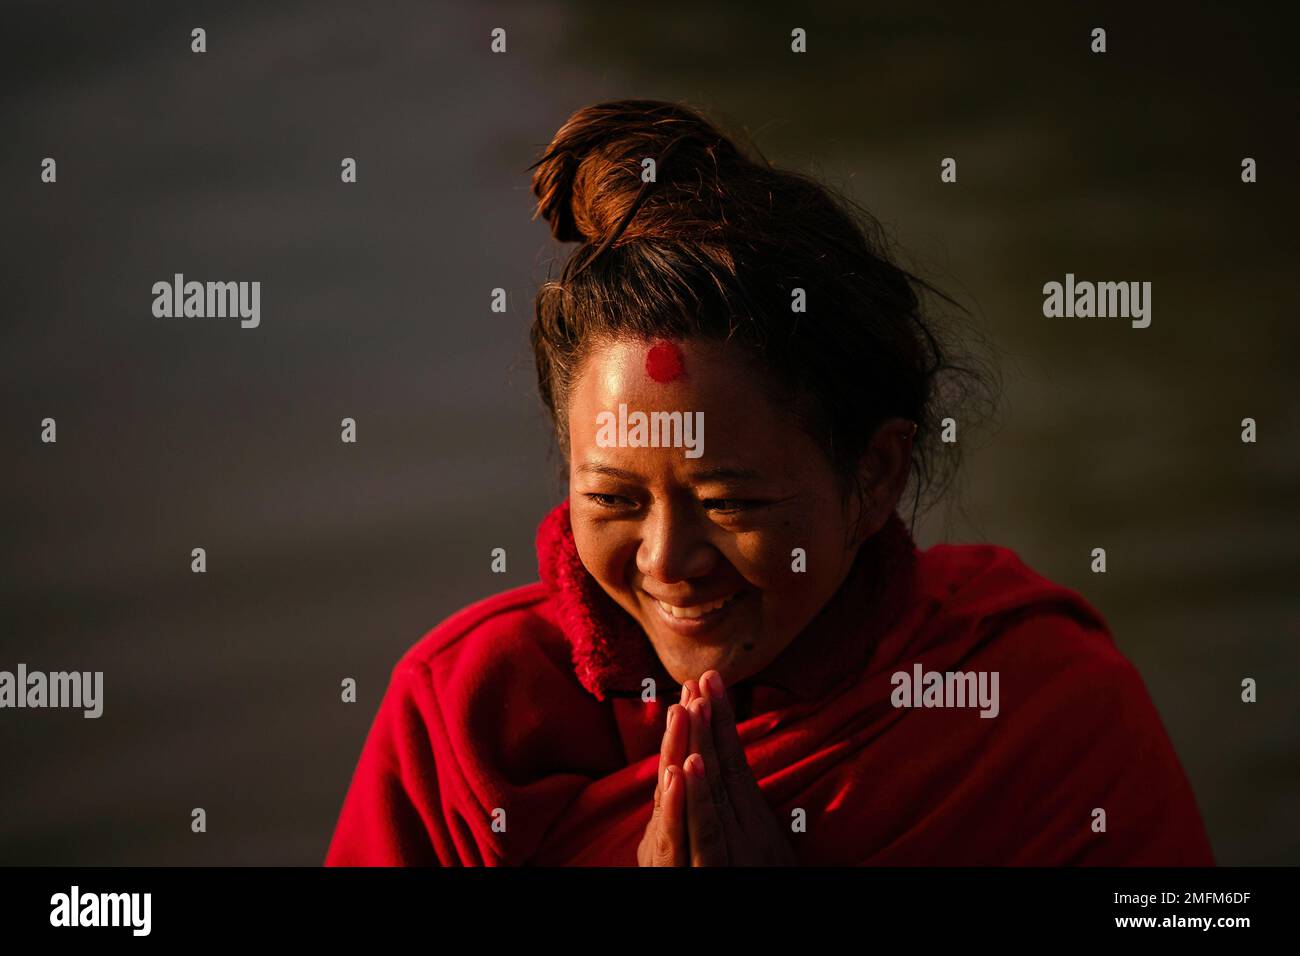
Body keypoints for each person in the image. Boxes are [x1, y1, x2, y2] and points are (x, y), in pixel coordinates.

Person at [324, 99, 1214, 866]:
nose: (668, 562)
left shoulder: (1033, 710)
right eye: (613, 500)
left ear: (873, 475)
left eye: (729, 502)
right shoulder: (469, 723)